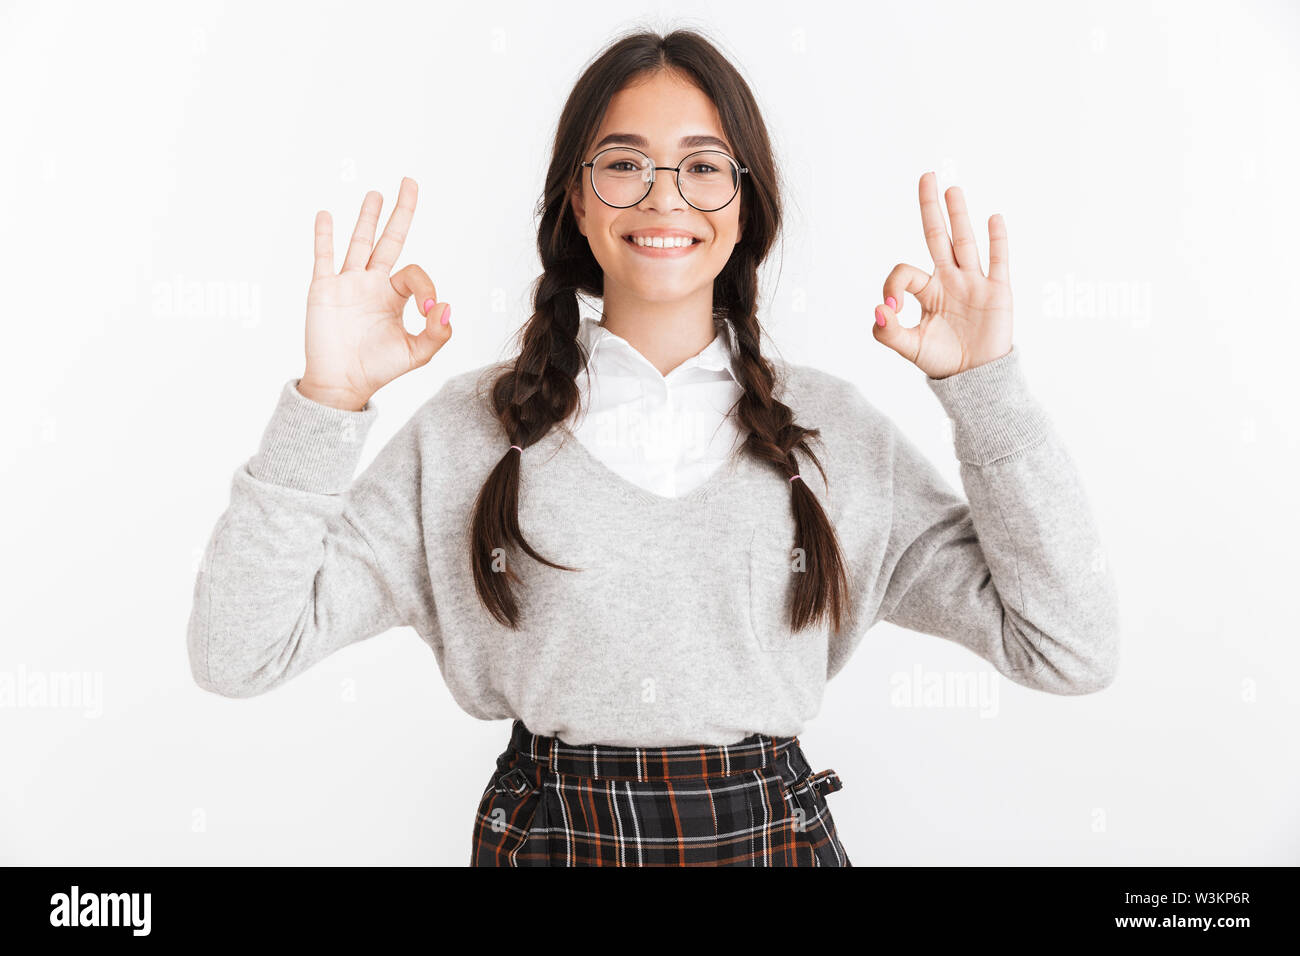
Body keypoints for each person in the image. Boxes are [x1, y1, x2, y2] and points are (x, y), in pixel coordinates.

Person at [187, 28, 1120, 867]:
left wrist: (985, 388)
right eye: (624, 165)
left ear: (747, 207)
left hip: (771, 842)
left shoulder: (835, 440)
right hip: (549, 839)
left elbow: (1069, 648)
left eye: (704, 167)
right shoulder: (469, 432)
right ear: (577, 205)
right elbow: (238, 652)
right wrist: (328, 399)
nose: (664, 196)